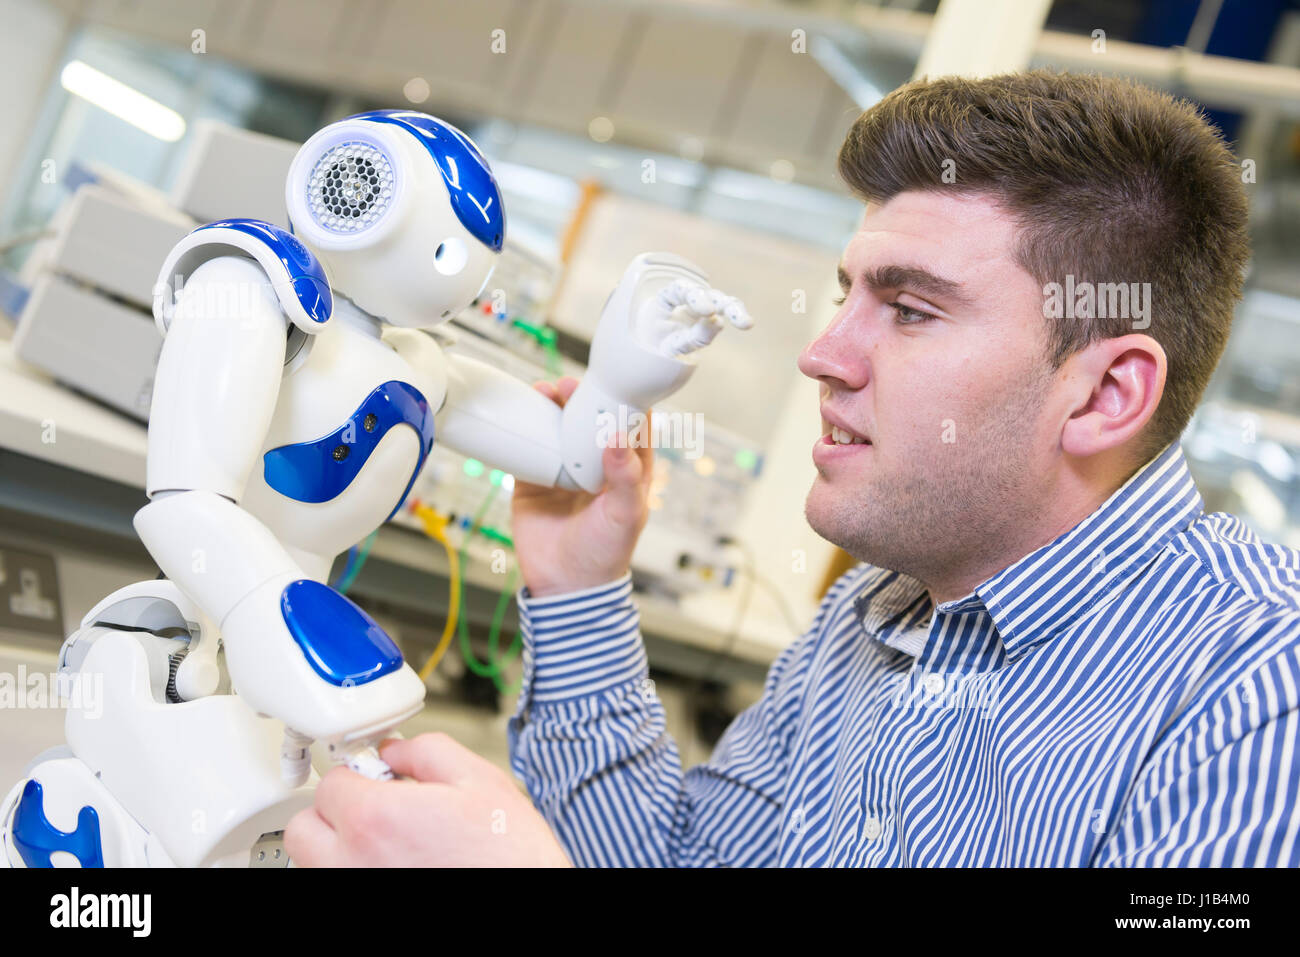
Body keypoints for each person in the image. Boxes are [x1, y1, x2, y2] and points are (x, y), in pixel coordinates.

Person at [284, 70, 1299, 867]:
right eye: (847, 294)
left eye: (909, 310)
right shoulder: (875, 616)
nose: (824, 354)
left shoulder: (1257, 688)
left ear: (1105, 394)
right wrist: (579, 583)